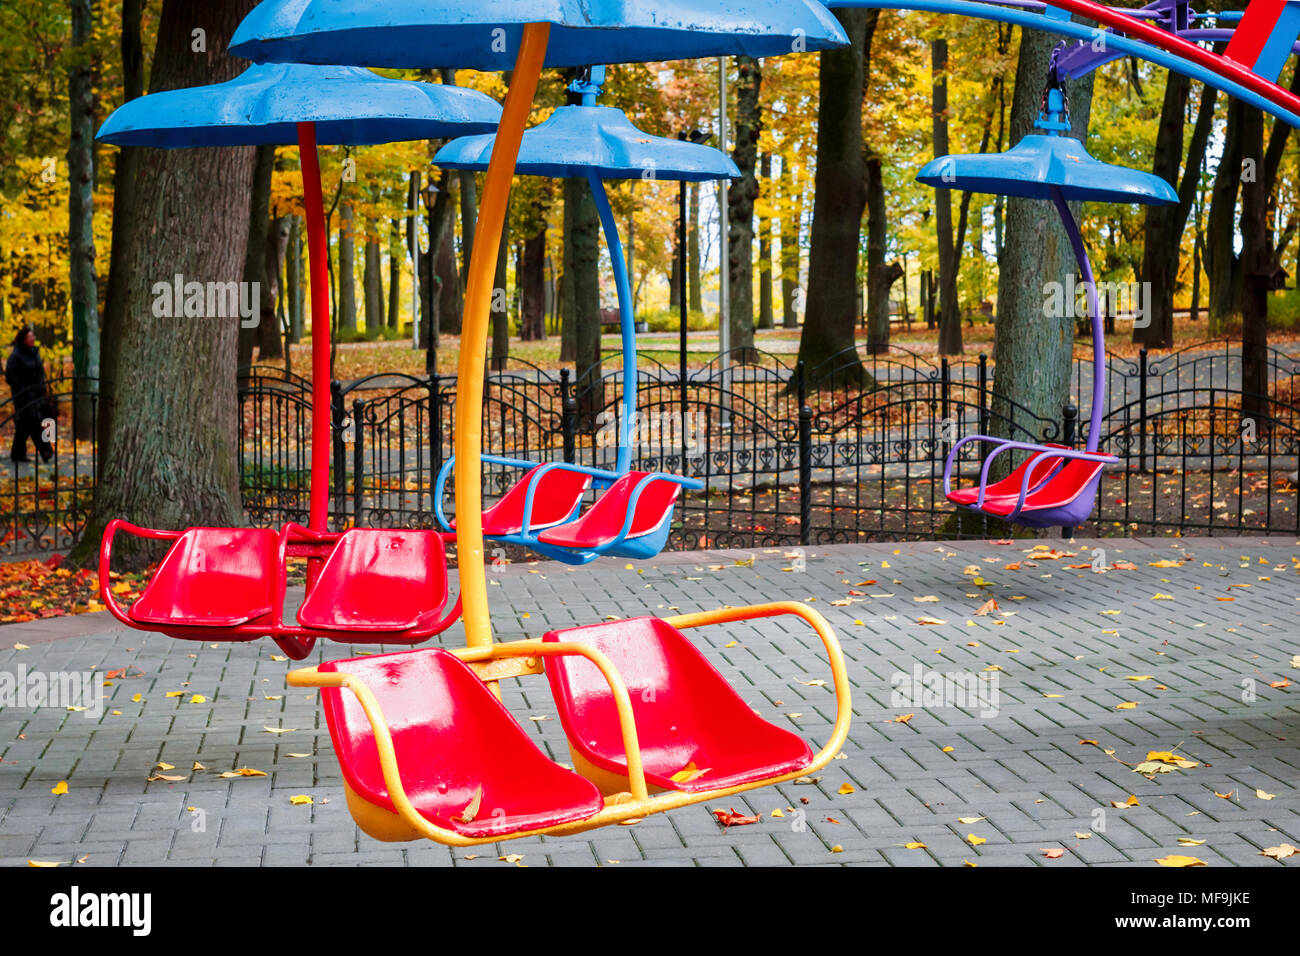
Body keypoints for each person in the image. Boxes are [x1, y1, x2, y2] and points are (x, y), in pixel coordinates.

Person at [5, 327, 54, 464]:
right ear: (23, 340)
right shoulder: (16, 355)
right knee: (33, 421)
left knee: (23, 424)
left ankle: (17, 454)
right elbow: (10, 376)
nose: (33, 339)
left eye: (33, 336)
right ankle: (46, 451)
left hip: (37, 394)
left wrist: (42, 388)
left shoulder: (34, 352)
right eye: (29, 337)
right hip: (23, 396)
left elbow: (39, 372)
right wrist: (22, 389)